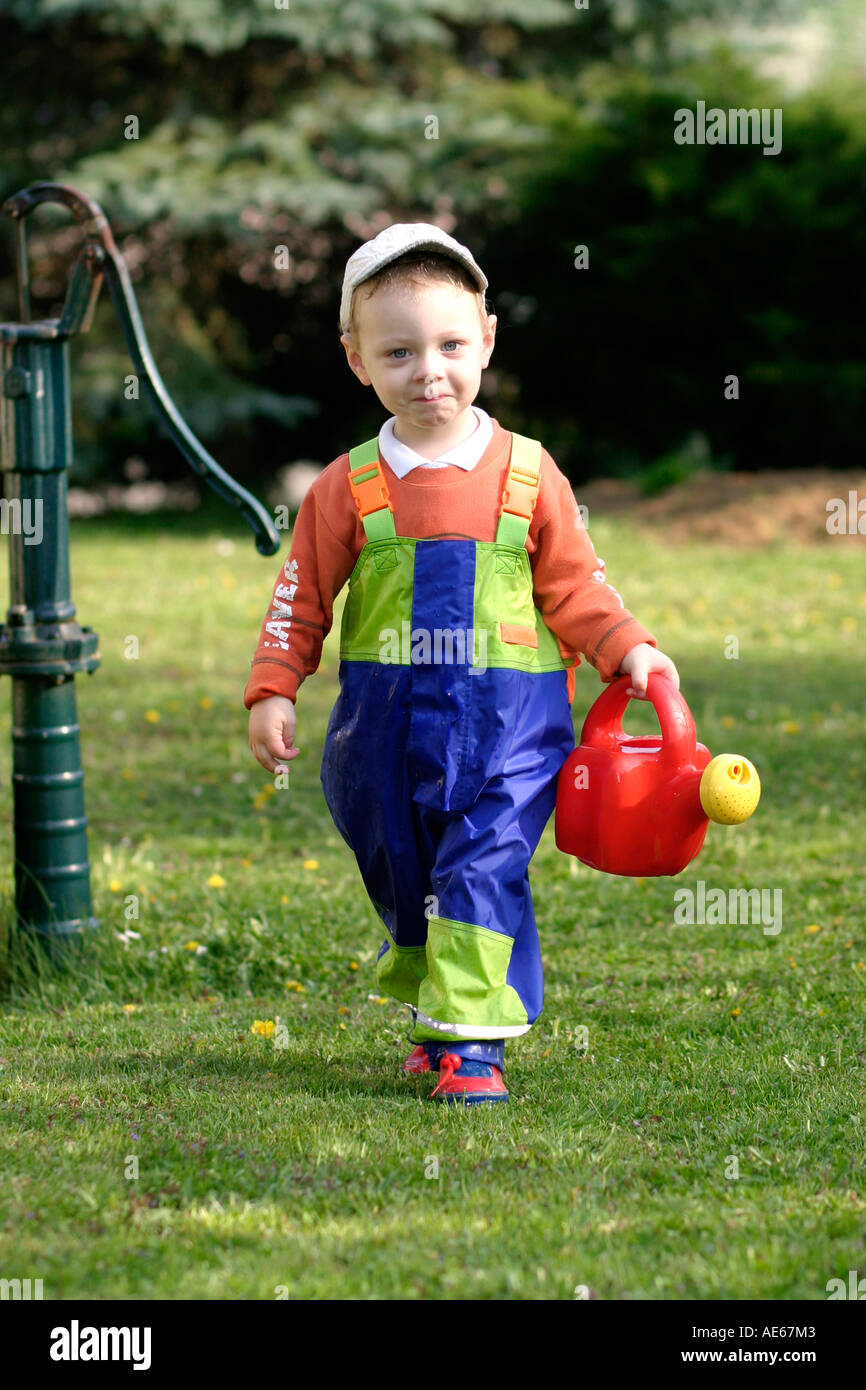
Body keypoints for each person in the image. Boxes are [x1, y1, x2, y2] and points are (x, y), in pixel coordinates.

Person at [245, 223, 679, 1105]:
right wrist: (273, 688)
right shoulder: (347, 486)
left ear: (485, 337)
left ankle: (474, 1042)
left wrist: (627, 647)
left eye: (450, 344)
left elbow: (578, 589)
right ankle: (438, 1008)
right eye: (399, 351)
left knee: (481, 865)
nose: (429, 370)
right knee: (404, 871)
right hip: (383, 734)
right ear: (358, 360)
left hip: (510, 730)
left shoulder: (527, 473)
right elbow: (299, 599)